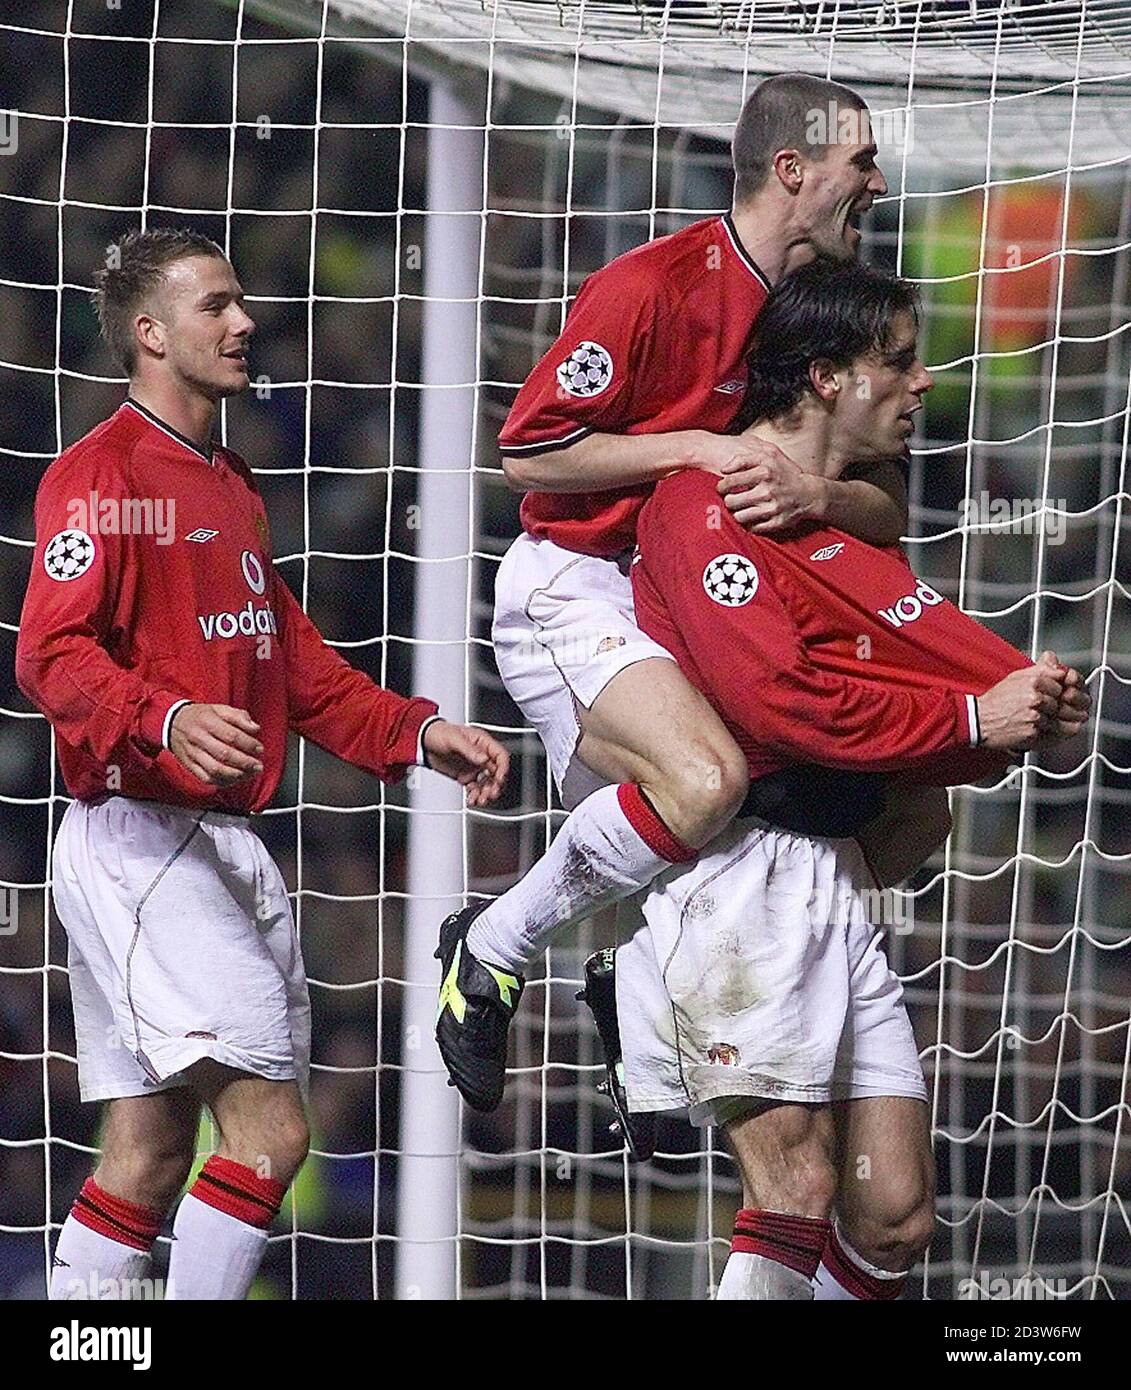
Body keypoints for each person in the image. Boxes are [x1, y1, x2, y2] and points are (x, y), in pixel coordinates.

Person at [15, 227, 508, 1301]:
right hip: (141, 836)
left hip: (213, 839)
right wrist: (165, 714)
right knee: (270, 1136)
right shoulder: (101, 478)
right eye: (216, 306)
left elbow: (291, 656)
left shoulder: (230, 479)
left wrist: (415, 732)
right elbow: (47, 653)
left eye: (242, 302)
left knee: (146, 1149)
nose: (244, 323)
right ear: (149, 334)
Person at [613, 257, 1089, 1300]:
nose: (923, 384)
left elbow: (923, 662)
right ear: (826, 377)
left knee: (894, 1213)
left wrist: (1019, 701)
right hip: (734, 879)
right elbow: (779, 705)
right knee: (795, 1185)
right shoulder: (703, 506)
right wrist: (975, 717)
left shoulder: (843, 518)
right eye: (899, 362)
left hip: (831, 875)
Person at [436, 72, 901, 1113]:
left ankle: (630, 1007)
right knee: (704, 784)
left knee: (799, 821)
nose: (877, 181)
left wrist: (814, 488)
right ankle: (492, 945)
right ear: (795, 170)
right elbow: (529, 454)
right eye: (860, 160)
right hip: (577, 587)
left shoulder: (811, 315)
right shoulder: (652, 286)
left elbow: (886, 501)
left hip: (688, 603)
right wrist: (694, 446)